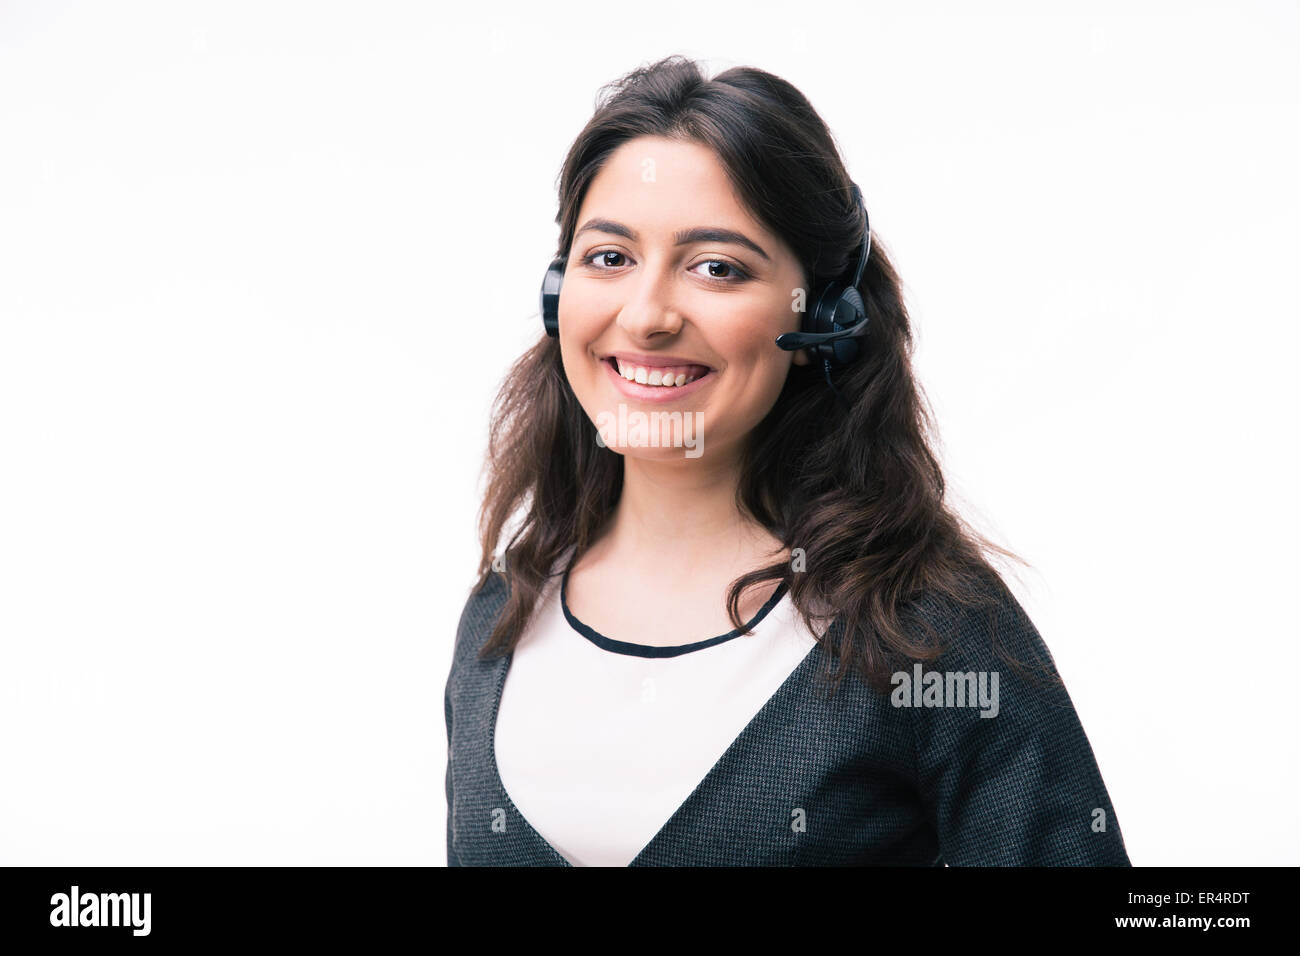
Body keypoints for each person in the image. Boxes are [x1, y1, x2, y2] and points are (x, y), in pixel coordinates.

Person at [444, 55, 1130, 866]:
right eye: (609, 258)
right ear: (560, 295)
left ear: (824, 320)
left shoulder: (924, 629)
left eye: (717, 268)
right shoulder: (501, 616)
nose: (649, 314)